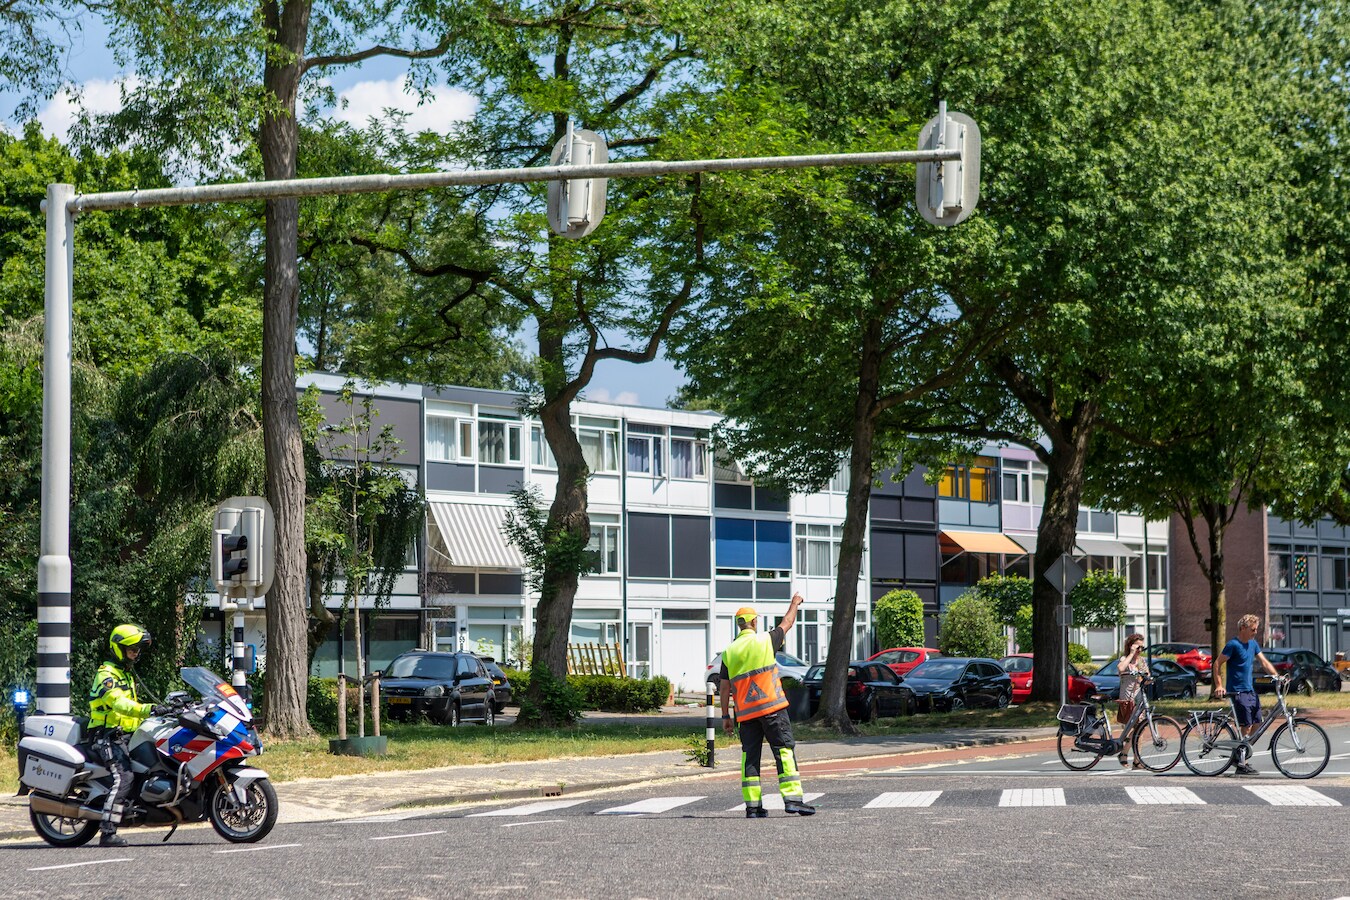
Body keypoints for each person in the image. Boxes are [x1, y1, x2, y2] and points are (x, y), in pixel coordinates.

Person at [719, 593, 815, 818]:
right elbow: (788, 622)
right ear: (753, 622)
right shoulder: (765, 640)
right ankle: (793, 800)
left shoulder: (729, 652)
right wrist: (794, 603)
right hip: (772, 709)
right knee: (783, 750)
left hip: (746, 716)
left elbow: (724, 688)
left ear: (739, 625)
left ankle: (753, 806)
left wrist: (725, 717)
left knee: (750, 757)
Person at [88, 624, 157, 847]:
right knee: (124, 777)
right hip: (106, 737)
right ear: (118, 648)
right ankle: (108, 832)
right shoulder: (106, 675)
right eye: (132, 649)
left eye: (137, 650)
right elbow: (119, 703)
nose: (136, 654)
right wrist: (149, 709)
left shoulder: (125, 674)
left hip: (127, 736)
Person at [1212, 613, 1282, 776]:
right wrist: (1219, 685)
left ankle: (1240, 751)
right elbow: (1217, 663)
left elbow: (1264, 662)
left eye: (1256, 629)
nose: (1255, 632)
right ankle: (1242, 762)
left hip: (1250, 690)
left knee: (1258, 724)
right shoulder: (1233, 645)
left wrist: (1278, 677)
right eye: (1253, 629)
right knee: (1247, 725)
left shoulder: (1253, 644)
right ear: (1243, 628)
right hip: (1237, 690)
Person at [1115, 633, 1148, 769]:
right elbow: (1120, 669)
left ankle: (1136, 760)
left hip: (1139, 697)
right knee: (1131, 729)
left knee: (1140, 728)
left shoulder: (1141, 661)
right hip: (1127, 698)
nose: (1140, 650)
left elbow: (1147, 674)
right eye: (1137, 647)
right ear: (1130, 645)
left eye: (1142, 648)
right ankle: (1124, 754)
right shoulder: (1125, 659)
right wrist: (1131, 654)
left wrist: (1148, 679)